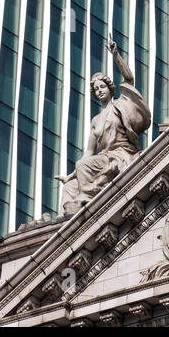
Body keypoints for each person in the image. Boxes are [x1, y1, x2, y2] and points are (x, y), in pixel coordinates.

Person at [59, 39, 152, 215]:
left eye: (102, 86)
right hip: (101, 159)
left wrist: (116, 55)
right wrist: (71, 176)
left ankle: (86, 199)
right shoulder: (95, 120)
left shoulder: (120, 106)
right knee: (70, 188)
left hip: (120, 156)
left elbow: (129, 79)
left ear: (110, 88)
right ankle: (69, 222)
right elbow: (88, 152)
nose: (100, 90)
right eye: (96, 89)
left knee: (84, 167)